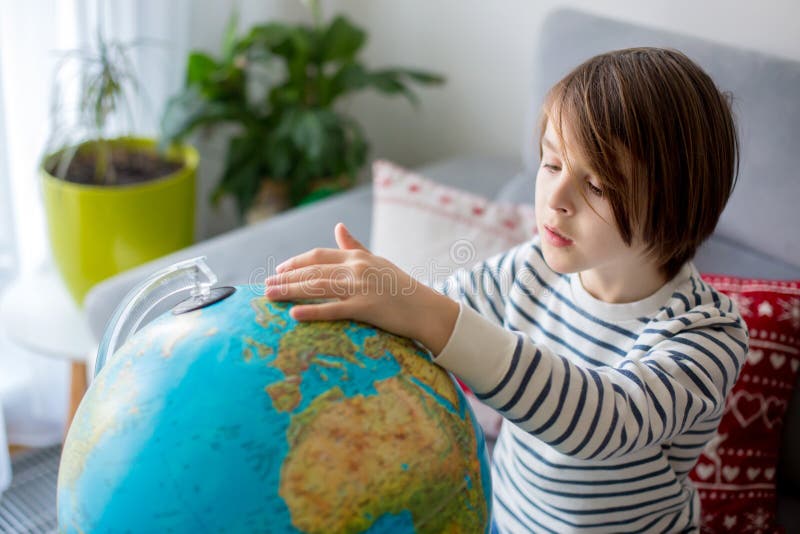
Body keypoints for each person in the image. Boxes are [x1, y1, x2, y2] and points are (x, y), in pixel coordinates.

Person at [263, 47, 747, 532]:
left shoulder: (707, 335)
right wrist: (371, 296)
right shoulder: (530, 268)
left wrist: (426, 313)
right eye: (552, 164)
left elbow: (602, 421)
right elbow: (434, 308)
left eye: (596, 185)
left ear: (677, 206)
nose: (555, 200)